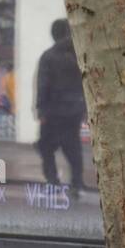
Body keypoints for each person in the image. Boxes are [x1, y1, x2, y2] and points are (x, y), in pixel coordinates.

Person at [34, 19, 87, 192]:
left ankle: (52, 178)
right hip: (74, 109)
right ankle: (77, 181)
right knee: (73, 146)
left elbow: (43, 85)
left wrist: (41, 109)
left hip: (52, 110)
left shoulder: (48, 56)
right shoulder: (78, 56)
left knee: (46, 146)